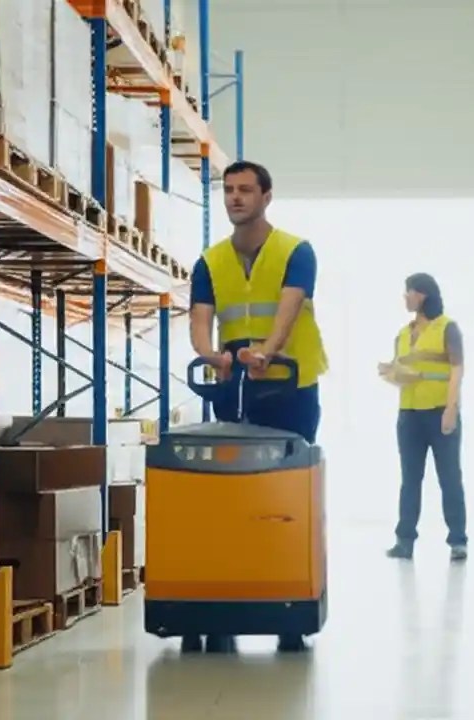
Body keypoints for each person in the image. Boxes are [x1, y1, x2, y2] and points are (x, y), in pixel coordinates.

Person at [186, 160, 328, 653]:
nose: (235, 198)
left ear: (267, 196)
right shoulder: (210, 261)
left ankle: (288, 606)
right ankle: (227, 600)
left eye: (245, 190)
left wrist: (268, 350)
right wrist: (208, 353)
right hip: (234, 384)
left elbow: (288, 309)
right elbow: (201, 318)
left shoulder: (296, 251)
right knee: (227, 500)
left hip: (290, 386)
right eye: (228, 190)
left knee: (284, 500)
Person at [377, 273, 468, 562]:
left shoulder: (447, 328)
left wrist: (451, 408)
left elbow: (456, 369)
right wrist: (390, 372)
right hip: (409, 416)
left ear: (422, 295)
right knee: (410, 480)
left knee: (450, 478)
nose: (405, 297)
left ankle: (458, 542)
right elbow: (401, 370)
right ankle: (404, 541)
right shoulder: (402, 334)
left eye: (409, 292)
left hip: (440, 412)